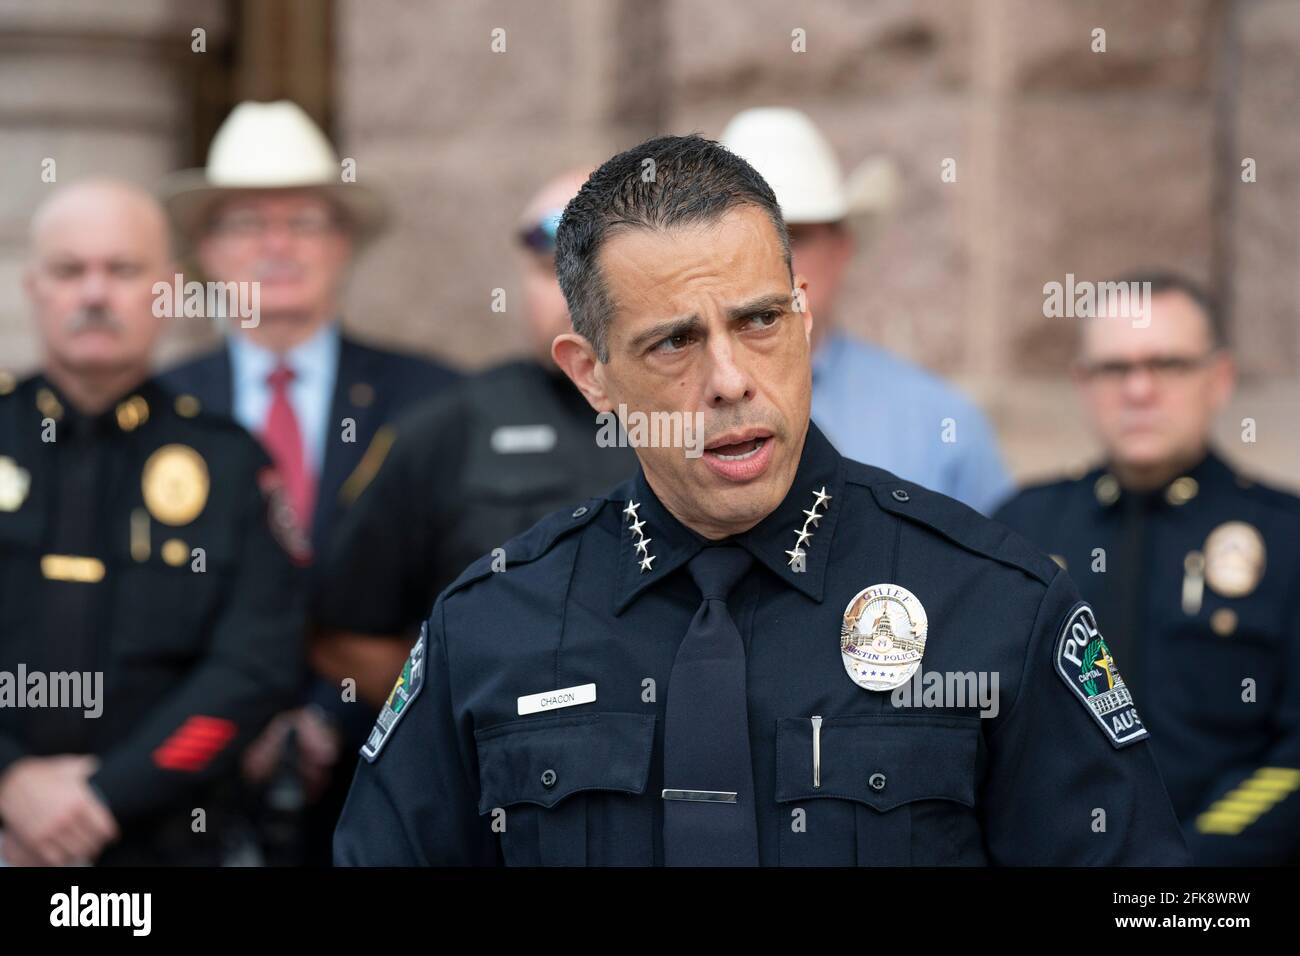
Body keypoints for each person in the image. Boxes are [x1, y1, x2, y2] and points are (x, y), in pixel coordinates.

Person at [334, 135, 1187, 866]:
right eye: (674, 341)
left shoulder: (997, 604)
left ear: (806, 318)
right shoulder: (493, 625)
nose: (731, 380)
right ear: (590, 373)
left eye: (760, 322)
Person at [158, 100, 459, 863]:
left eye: (305, 221)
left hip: (391, 785)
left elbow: (456, 596)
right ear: (204, 249)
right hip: (187, 804)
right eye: (246, 223)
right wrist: (236, 721)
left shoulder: (433, 400)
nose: (277, 246)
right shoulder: (158, 410)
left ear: (345, 242)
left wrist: (329, 714)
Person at [0, 180, 303, 866]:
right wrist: (11, 782)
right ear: (34, 287)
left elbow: (256, 664)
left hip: (166, 840)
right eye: (70, 270)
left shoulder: (228, 460)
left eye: (123, 269)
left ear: (166, 290)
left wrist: (106, 797)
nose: (95, 294)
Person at [994, 273, 1300, 865]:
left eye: (1167, 365)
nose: (1138, 390)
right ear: (1083, 383)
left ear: (1219, 378)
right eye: (1114, 369)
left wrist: (1183, 862)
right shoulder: (1023, 529)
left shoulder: (1286, 539)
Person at [312, 169, 637, 708]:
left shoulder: (708, 416)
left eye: (602, 266)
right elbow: (344, 633)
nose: (573, 290)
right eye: (548, 267)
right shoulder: (447, 428)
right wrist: (462, 722)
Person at [721, 107, 1011, 514]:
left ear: (842, 247)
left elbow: (993, 571)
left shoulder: (939, 422)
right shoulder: (662, 415)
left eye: (796, 236)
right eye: (750, 241)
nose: (776, 262)